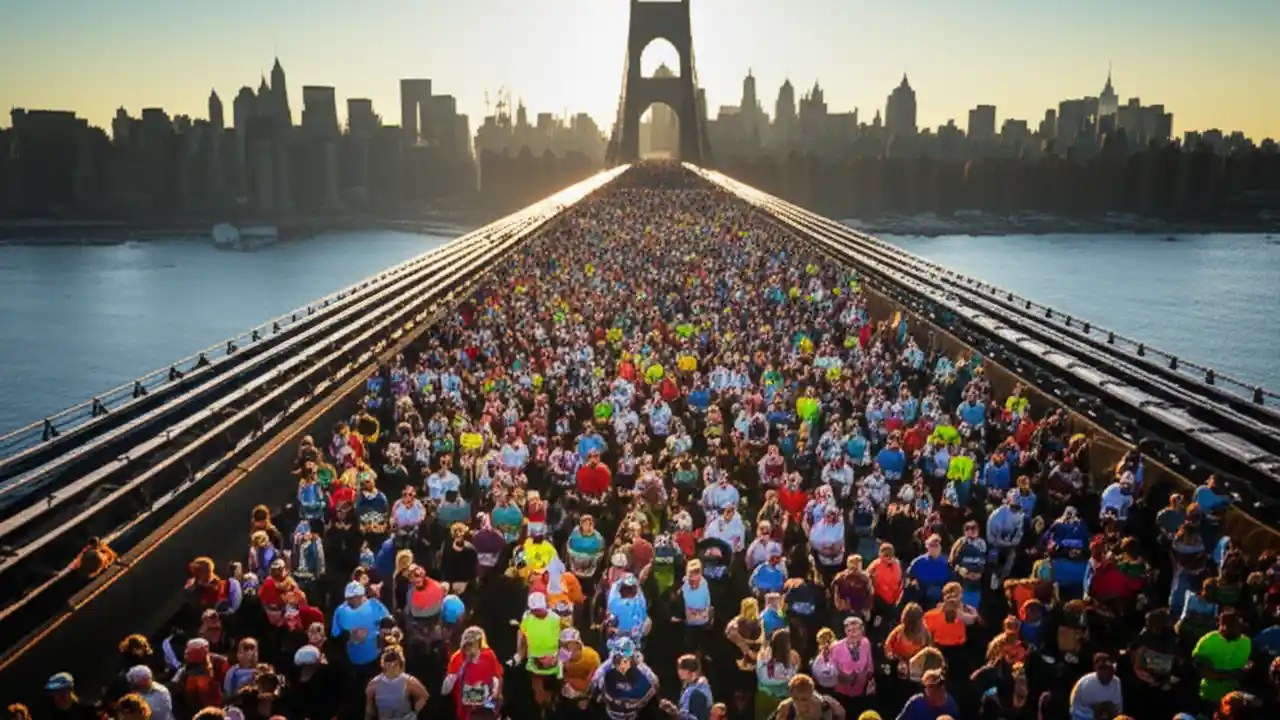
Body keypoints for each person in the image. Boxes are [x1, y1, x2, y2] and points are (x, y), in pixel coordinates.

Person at [1193, 609, 1253, 707]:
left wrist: (1247, 670)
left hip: (1234, 699)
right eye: (1231, 626)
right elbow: (1203, 671)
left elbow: (1249, 664)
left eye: (1236, 626)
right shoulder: (1208, 641)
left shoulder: (1247, 642)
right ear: (1221, 626)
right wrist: (1230, 675)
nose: (1235, 629)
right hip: (1209, 696)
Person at [442, 627, 503, 720]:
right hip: (467, 712)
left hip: (485, 711)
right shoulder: (457, 658)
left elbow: (498, 679)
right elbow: (445, 690)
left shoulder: (488, 656)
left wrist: (493, 693)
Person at [365, 647, 429, 720]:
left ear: (399, 664)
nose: (392, 666)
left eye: (395, 664)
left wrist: (414, 713)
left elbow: (423, 696)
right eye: (388, 664)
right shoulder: (374, 683)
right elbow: (369, 707)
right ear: (383, 664)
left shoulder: (409, 681)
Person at [1068, 653, 1123, 720]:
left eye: (1109, 667)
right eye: (1102, 668)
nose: (1105, 671)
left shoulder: (1117, 682)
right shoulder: (1085, 684)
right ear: (1096, 669)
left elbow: (1117, 709)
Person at [659, 654, 713, 720]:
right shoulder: (690, 688)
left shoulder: (697, 693)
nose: (679, 671)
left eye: (681, 668)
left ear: (690, 672)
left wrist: (676, 714)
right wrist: (673, 710)